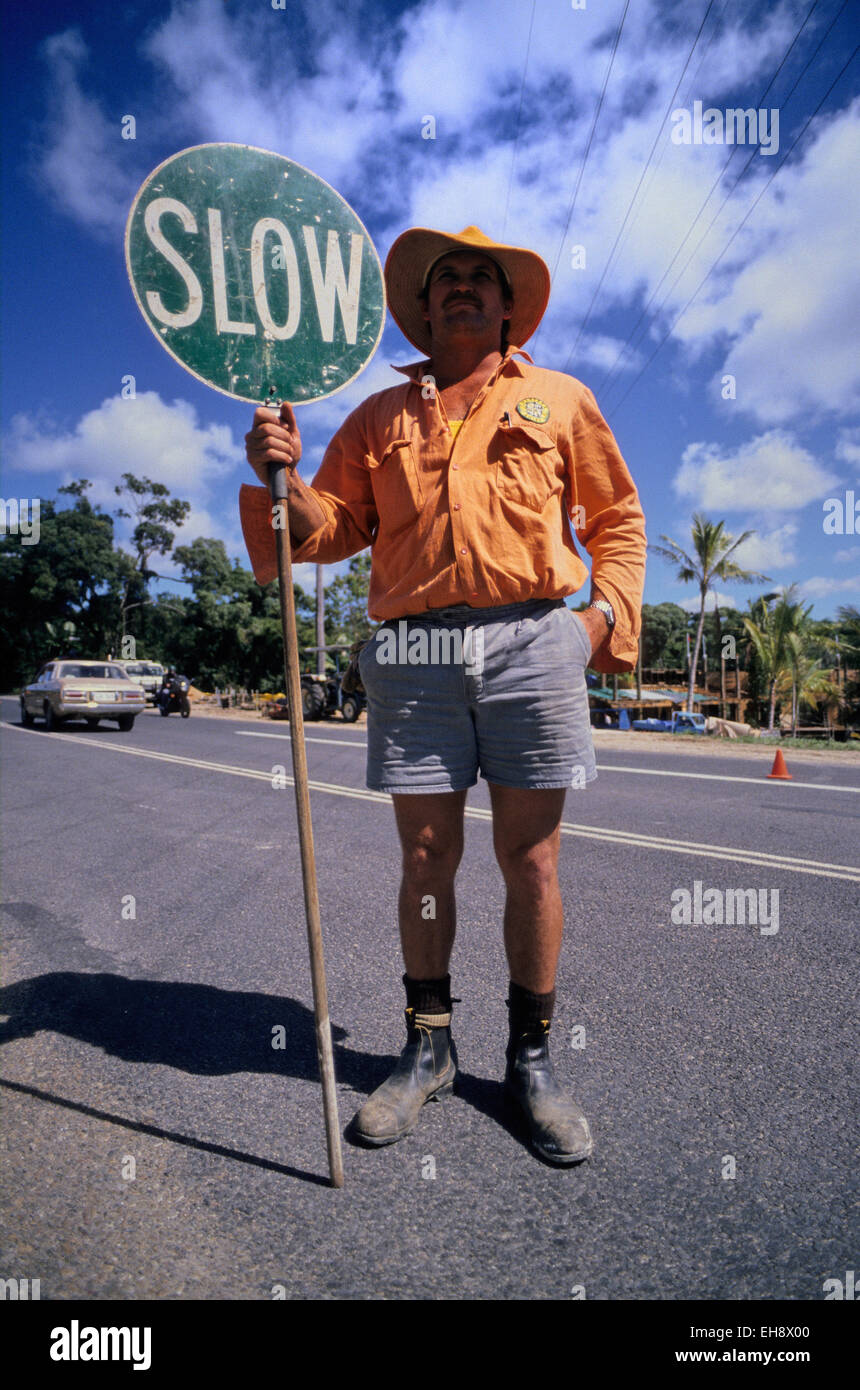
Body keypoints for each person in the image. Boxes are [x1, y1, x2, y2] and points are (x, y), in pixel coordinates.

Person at [241, 225, 646, 1164]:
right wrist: (282, 471)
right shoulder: (379, 416)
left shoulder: (559, 400)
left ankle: (531, 1058)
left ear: (508, 305)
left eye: (480, 278)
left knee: (531, 859)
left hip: (530, 638)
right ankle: (428, 1046)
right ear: (423, 309)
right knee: (426, 858)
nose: (461, 289)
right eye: (443, 280)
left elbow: (617, 517)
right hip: (412, 648)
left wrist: (597, 622)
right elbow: (330, 531)